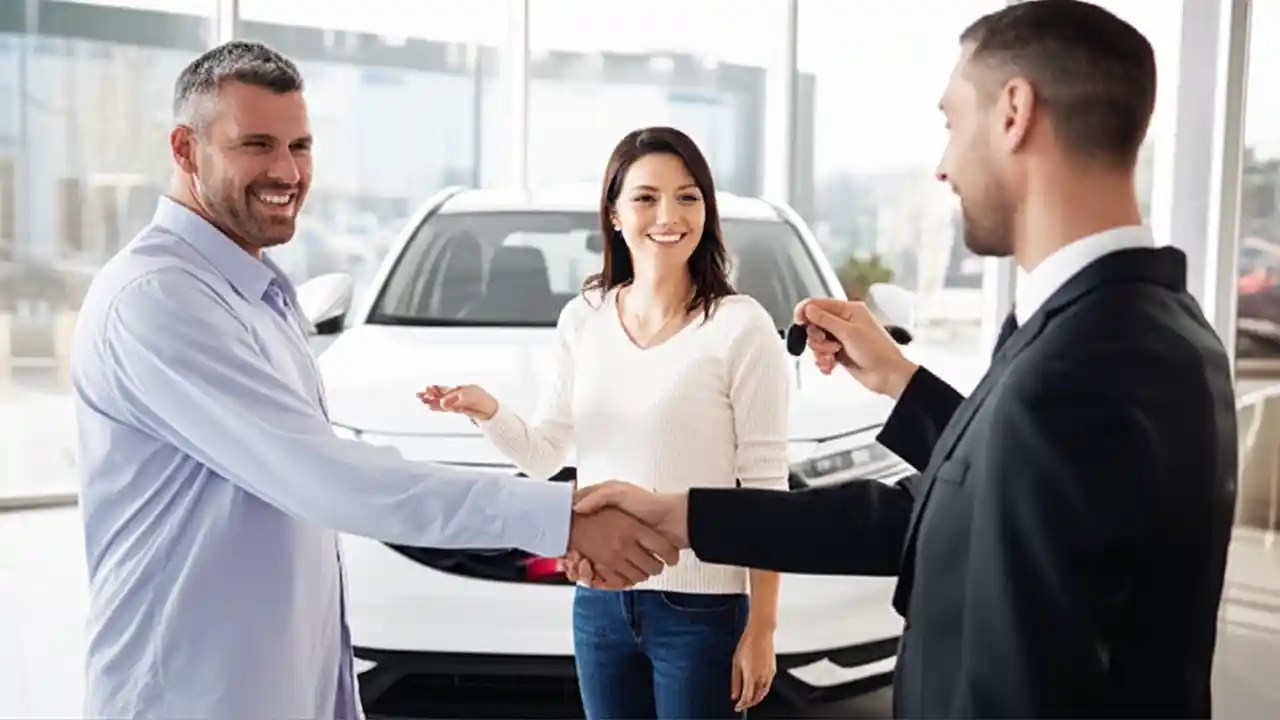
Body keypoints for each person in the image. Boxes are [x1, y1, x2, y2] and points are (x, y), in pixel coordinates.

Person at [571, 1, 1239, 718]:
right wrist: (901, 383)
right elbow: (974, 494)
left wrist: (690, 526)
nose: (944, 167)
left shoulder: (1090, 364)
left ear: (1014, 112)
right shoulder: (1130, 328)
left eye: (952, 123)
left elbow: (1025, 675)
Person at [69, 41, 678, 720]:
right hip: (185, 697)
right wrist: (558, 519)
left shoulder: (256, 293)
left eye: (300, 146)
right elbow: (329, 478)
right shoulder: (159, 299)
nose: (286, 170)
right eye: (257, 145)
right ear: (186, 150)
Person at [419, 126, 789, 718]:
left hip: (703, 610)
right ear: (614, 214)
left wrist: (763, 627)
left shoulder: (741, 327)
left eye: (687, 197)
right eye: (646, 198)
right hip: (599, 602)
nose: (668, 215)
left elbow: (766, 487)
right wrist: (487, 410)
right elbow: (544, 455)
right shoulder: (583, 318)